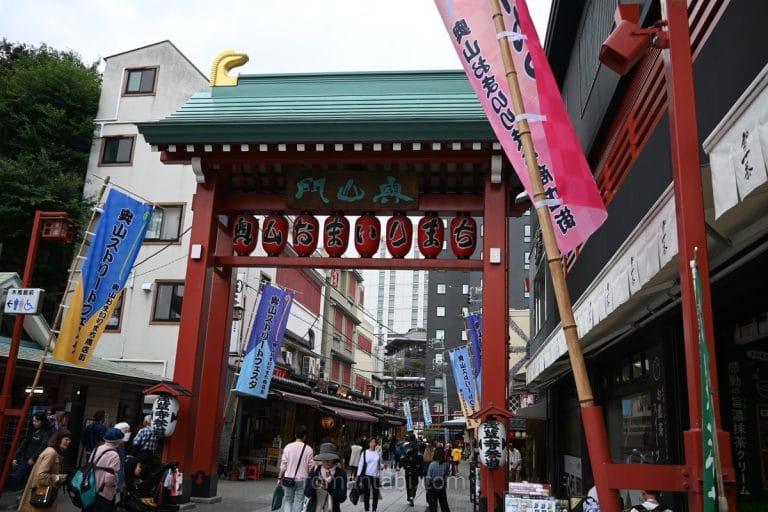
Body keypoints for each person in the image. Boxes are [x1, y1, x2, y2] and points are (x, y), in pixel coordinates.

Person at [16, 429, 71, 512]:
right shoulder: (51, 453)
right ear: (59, 439)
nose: (68, 442)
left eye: (69, 440)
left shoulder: (54, 453)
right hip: (40, 495)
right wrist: (57, 477)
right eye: (66, 439)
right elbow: (41, 476)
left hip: (43, 495)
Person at [10, 412, 52, 506]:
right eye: (33, 421)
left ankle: (25, 502)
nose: (34, 423)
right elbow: (24, 444)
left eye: (37, 421)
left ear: (42, 421)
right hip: (26, 459)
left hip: (37, 461)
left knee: (32, 482)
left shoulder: (46, 432)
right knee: (18, 477)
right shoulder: (32, 430)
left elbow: (43, 446)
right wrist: (16, 457)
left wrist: (34, 457)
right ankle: (19, 498)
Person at [87, 427, 125, 512]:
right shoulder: (114, 455)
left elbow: (89, 466)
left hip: (90, 488)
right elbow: (109, 480)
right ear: (117, 441)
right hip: (104, 493)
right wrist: (116, 485)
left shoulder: (96, 449)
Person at [278, 425, 314, 512]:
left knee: (288, 500)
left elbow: (283, 466)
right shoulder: (309, 449)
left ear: (295, 435)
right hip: (302, 480)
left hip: (288, 478)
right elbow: (311, 468)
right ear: (305, 436)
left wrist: (279, 478)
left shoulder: (287, 447)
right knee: (299, 501)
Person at [303, 443, 347, 512]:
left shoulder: (340, 474)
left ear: (334, 459)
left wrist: (328, 487)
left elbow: (342, 498)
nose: (326, 461)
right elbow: (306, 493)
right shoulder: (315, 471)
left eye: (329, 459)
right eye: (324, 458)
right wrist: (315, 485)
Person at [356, 437, 382, 512]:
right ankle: (367, 508)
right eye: (371, 442)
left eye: (374, 442)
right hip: (366, 476)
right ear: (369, 443)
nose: (373, 444)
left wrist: (383, 466)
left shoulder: (378, 453)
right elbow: (360, 464)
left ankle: (374, 508)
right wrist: (358, 476)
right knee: (366, 493)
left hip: (375, 476)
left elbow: (379, 464)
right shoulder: (364, 453)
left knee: (376, 493)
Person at [401, 434, 422, 507]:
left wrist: (403, 465)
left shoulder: (406, 446)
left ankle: (408, 496)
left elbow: (402, 457)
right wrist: (420, 467)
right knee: (415, 483)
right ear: (415, 439)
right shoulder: (418, 446)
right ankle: (412, 496)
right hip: (415, 468)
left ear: (409, 439)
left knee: (408, 483)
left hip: (408, 467)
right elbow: (420, 457)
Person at [113, 422, 131, 495]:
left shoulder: (121, 445)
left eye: (128, 431)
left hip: (117, 479)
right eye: (126, 431)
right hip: (113, 480)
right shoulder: (116, 446)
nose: (128, 433)